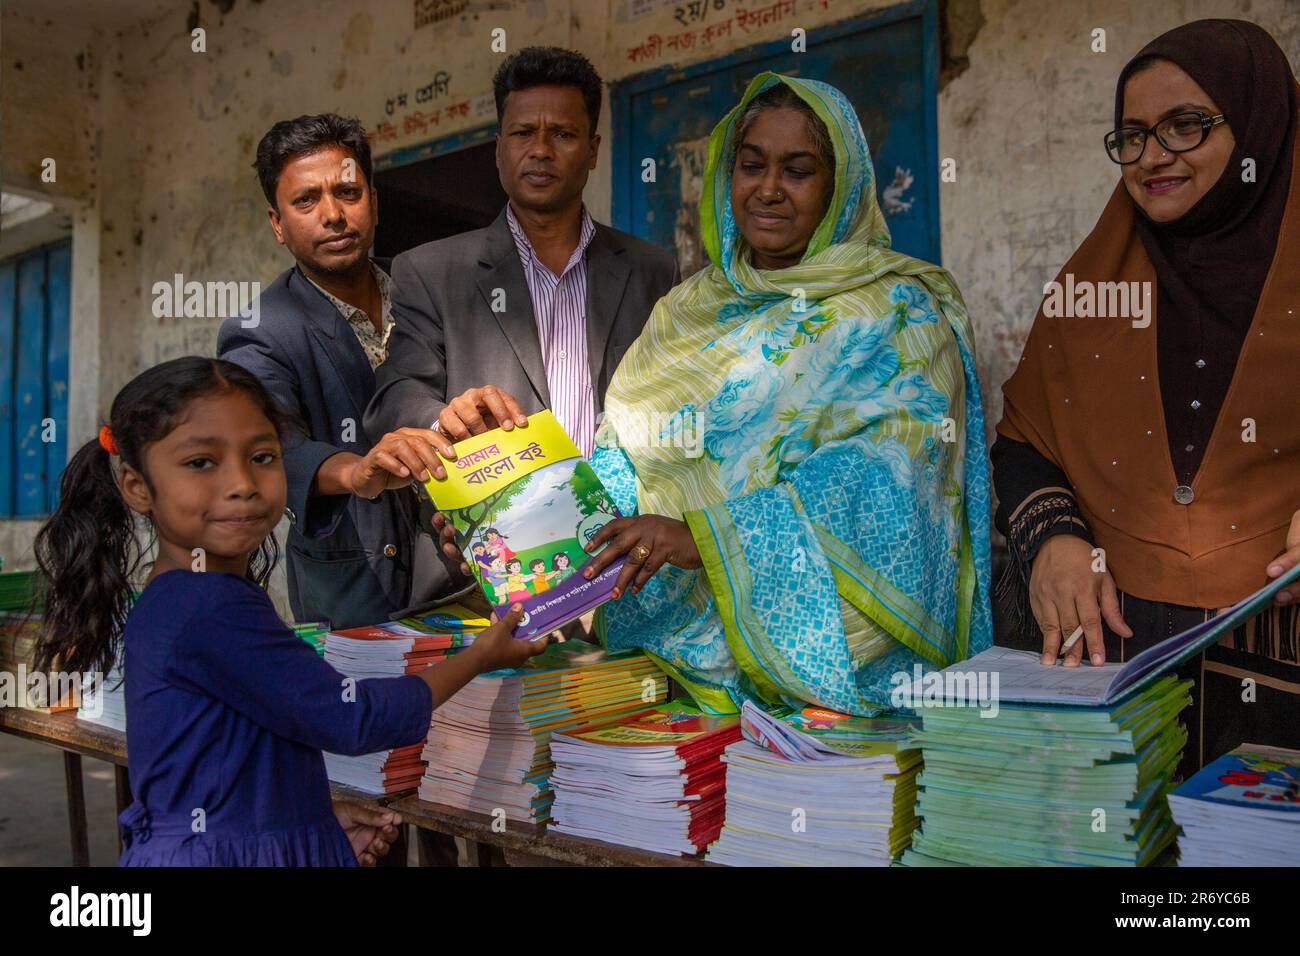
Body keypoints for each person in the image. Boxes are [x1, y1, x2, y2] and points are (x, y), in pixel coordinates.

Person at [492, 73, 992, 715]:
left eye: (798, 170)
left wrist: (710, 539)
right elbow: (624, 457)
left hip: (827, 688)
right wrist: (522, 538)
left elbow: (896, 483)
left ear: (840, 185)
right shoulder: (689, 309)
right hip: (667, 677)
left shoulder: (898, 314)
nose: (768, 189)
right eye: (750, 165)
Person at [31, 357, 550, 866]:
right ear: (136, 486)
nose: (242, 483)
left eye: (262, 456)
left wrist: (309, 817)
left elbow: (235, 752)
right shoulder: (206, 605)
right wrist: (480, 656)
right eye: (201, 463)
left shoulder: (181, 589)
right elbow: (351, 720)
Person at [992, 19, 1300, 775]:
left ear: (1260, 123)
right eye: (1131, 135)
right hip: (1114, 657)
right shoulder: (1097, 281)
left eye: (1186, 126)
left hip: (1282, 650)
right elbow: (1023, 440)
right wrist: (1054, 538)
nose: (1152, 156)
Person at [363, 46, 678, 465]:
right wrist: (443, 421)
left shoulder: (653, 272)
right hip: (490, 525)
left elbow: (678, 403)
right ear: (498, 150)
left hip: (622, 525)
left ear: (593, 150)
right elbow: (397, 394)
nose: (541, 150)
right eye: (523, 133)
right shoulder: (429, 273)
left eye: (563, 134)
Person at [218, 114, 463, 629]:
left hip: (467, 571)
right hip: (357, 590)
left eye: (347, 192)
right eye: (306, 201)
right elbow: (272, 448)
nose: (332, 214)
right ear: (277, 223)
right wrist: (356, 471)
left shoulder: (429, 288)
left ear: (373, 200)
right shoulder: (261, 329)